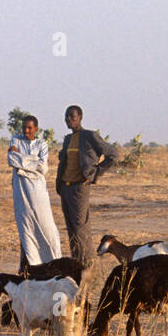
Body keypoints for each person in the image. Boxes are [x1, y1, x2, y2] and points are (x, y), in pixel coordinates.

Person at [55, 105, 120, 266]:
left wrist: (95, 174)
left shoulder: (89, 136)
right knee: (71, 229)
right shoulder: (68, 139)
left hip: (80, 188)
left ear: (80, 117)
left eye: (72, 116)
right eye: (66, 117)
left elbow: (113, 154)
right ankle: (77, 265)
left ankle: (88, 267)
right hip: (65, 188)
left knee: (80, 228)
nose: (68, 120)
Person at [8, 114, 62, 270]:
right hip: (22, 193)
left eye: (30, 128)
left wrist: (21, 164)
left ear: (36, 129)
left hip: (38, 193)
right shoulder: (16, 140)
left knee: (47, 227)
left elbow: (43, 168)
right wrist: (33, 161)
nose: (26, 130)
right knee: (25, 228)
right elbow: (11, 160)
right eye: (24, 127)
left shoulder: (42, 144)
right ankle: (30, 267)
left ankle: (53, 263)